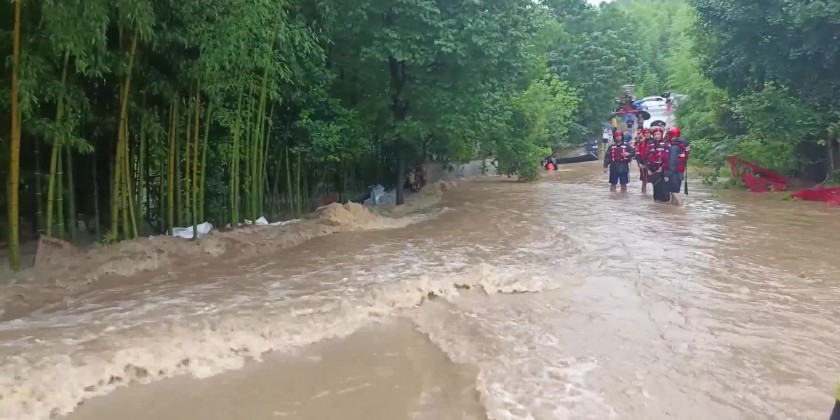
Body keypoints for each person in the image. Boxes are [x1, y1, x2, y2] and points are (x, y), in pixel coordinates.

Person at [663, 126, 690, 205]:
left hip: (674, 173)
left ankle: (681, 209)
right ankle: (674, 210)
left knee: (675, 193)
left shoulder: (674, 147)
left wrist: (667, 175)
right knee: (674, 192)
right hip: (680, 172)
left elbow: (671, 162)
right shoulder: (683, 144)